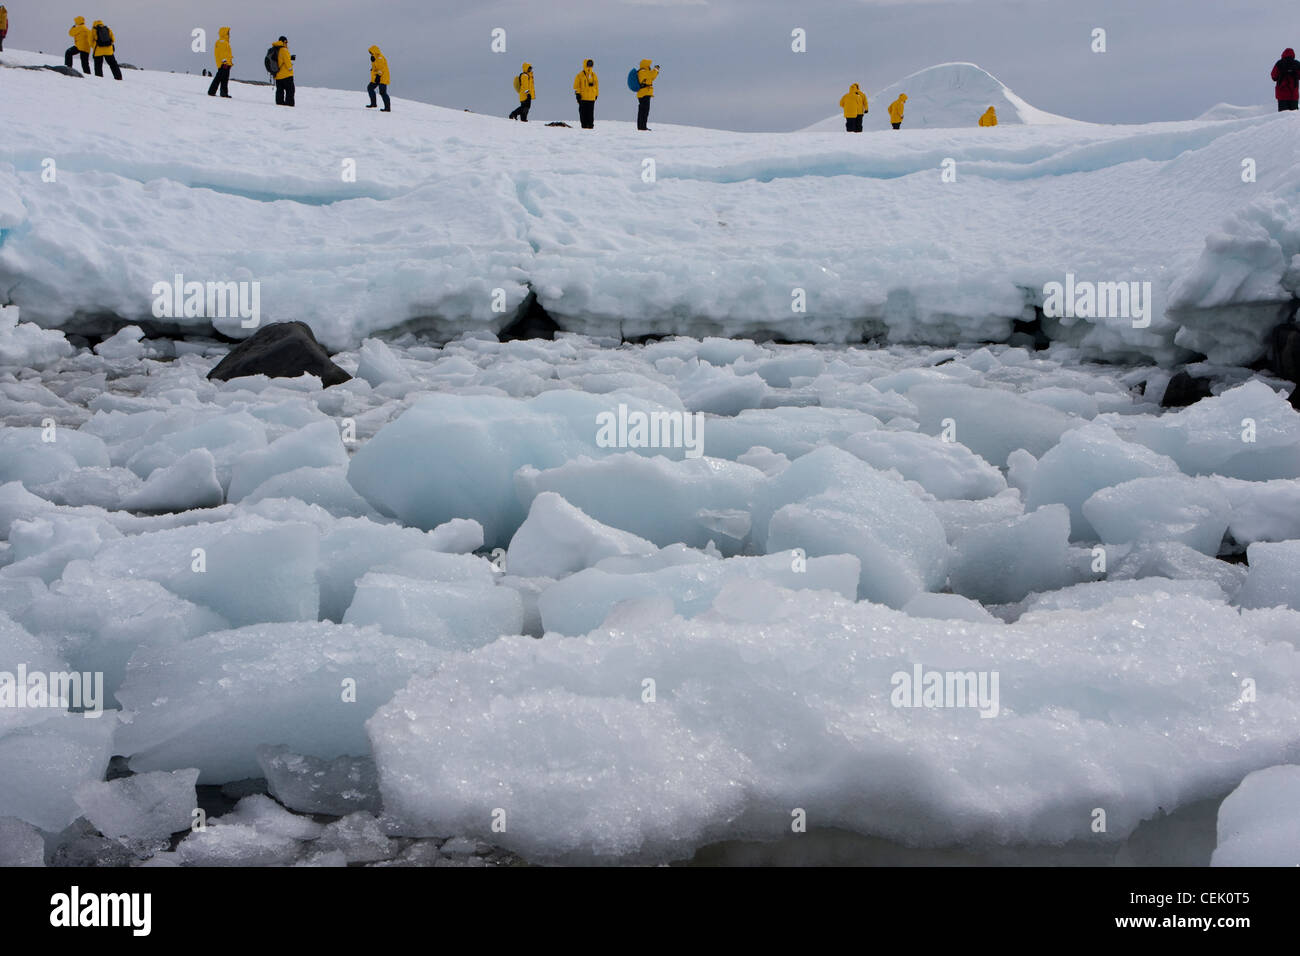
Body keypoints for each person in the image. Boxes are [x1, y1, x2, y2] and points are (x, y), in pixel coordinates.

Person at [574, 58, 598, 129]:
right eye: (588, 64)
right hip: (583, 98)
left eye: (591, 64)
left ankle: (590, 126)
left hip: (591, 98)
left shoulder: (594, 75)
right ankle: (584, 126)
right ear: (585, 64)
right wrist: (578, 94)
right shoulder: (579, 75)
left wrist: (596, 95)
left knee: (590, 114)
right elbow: (576, 86)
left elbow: (596, 86)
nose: (589, 65)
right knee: (583, 114)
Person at [635, 59, 659, 130]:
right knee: (644, 111)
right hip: (644, 94)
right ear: (646, 64)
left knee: (644, 111)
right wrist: (655, 69)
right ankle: (642, 127)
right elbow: (651, 75)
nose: (650, 66)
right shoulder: (642, 71)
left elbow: (652, 77)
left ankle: (642, 126)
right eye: (649, 64)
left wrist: (656, 71)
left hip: (645, 93)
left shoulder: (644, 71)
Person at [208, 26, 232, 98]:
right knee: (219, 78)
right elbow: (222, 53)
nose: (229, 35)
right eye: (228, 33)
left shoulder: (224, 42)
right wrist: (225, 62)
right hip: (224, 64)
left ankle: (223, 93)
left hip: (226, 63)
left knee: (224, 79)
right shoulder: (222, 42)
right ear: (224, 33)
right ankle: (212, 91)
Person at [271, 36, 294, 107]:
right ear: (284, 42)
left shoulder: (275, 49)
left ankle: (279, 104)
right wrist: (290, 68)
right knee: (290, 90)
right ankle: (289, 104)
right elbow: (287, 62)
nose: (287, 44)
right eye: (286, 42)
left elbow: (280, 59)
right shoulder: (284, 50)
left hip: (277, 75)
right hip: (286, 75)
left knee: (279, 90)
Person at [367, 45, 391, 111]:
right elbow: (376, 67)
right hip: (377, 77)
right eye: (370, 52)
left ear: (374, 51)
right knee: (370, 88)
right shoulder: (374, 58)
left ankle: (387, 108)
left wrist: (378, 76)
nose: (370, 54)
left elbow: (381, 68)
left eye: (371, 52)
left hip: (382, 77)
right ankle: (373, 104)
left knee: (383, 92)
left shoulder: (380, 58)